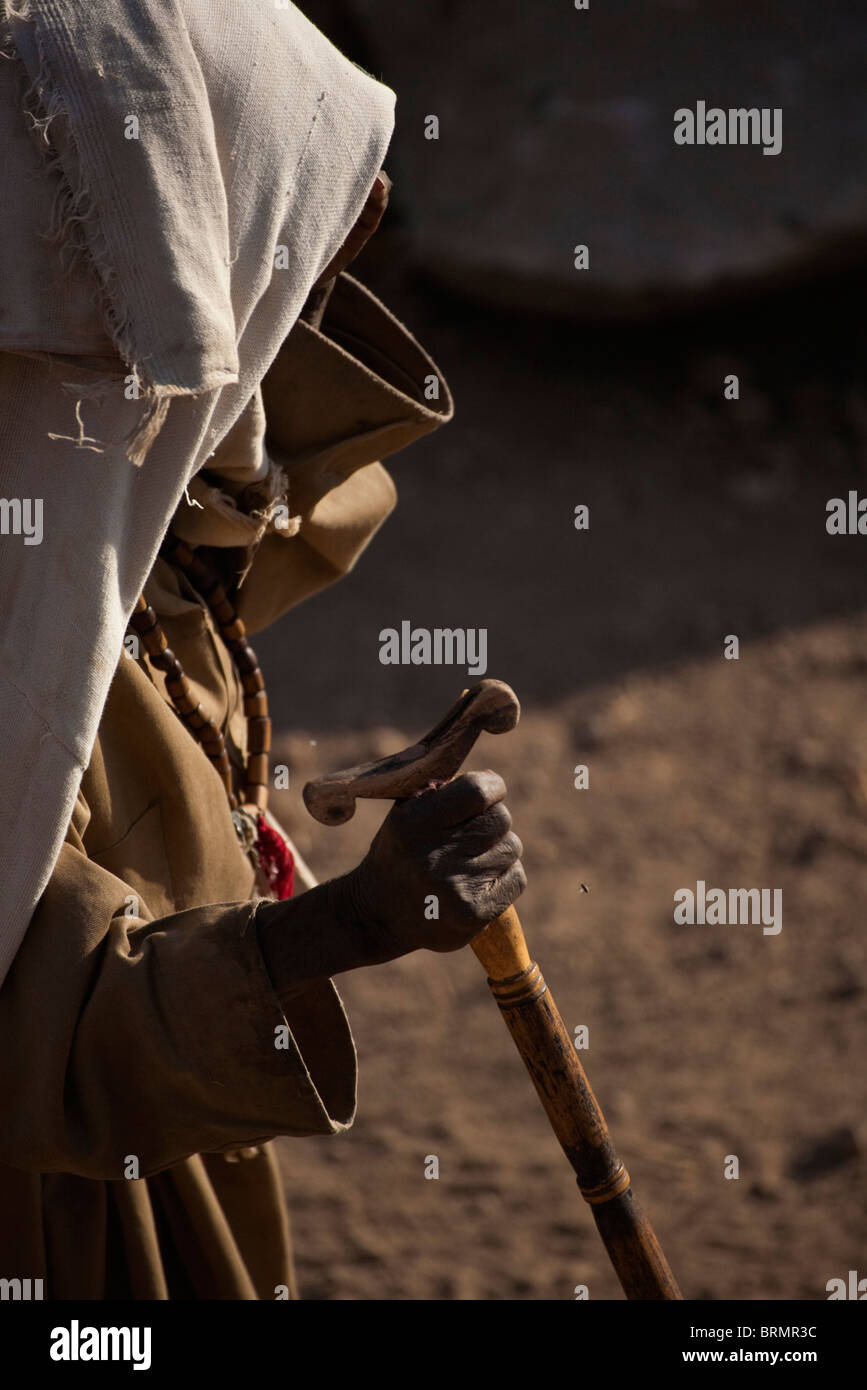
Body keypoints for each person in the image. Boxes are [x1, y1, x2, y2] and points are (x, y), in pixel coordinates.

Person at [0, 0, 525, 1298]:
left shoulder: (111, 472)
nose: (372, 211)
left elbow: (243, 488)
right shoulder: (29, 588)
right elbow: (47, 1028)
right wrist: (348, 920)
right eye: (279, 194)